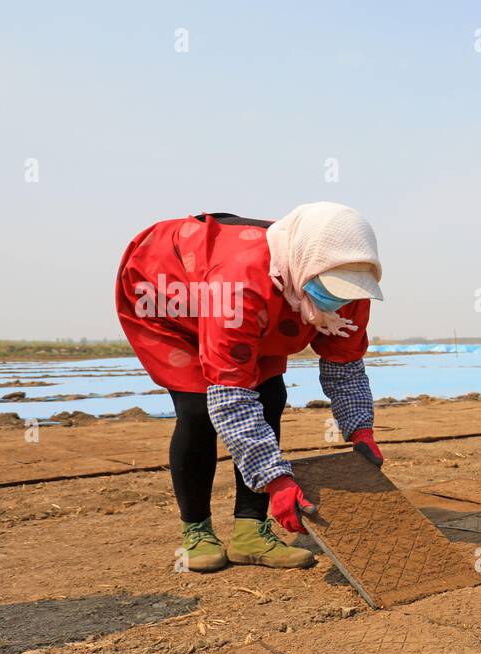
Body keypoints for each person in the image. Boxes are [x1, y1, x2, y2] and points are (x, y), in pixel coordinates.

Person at [115, 202, 386, 572]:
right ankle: (197, 529)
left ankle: (250, 532)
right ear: (305, 266)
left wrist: (360, 428)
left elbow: (346, 363)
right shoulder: (240, 281)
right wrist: (276, 481)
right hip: (169, 291)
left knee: (270, 395)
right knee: (198, 408)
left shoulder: (348, 288)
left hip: (256, 297)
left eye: (346, 290)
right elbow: (231, 396)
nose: (338, 298)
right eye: (328, 287)